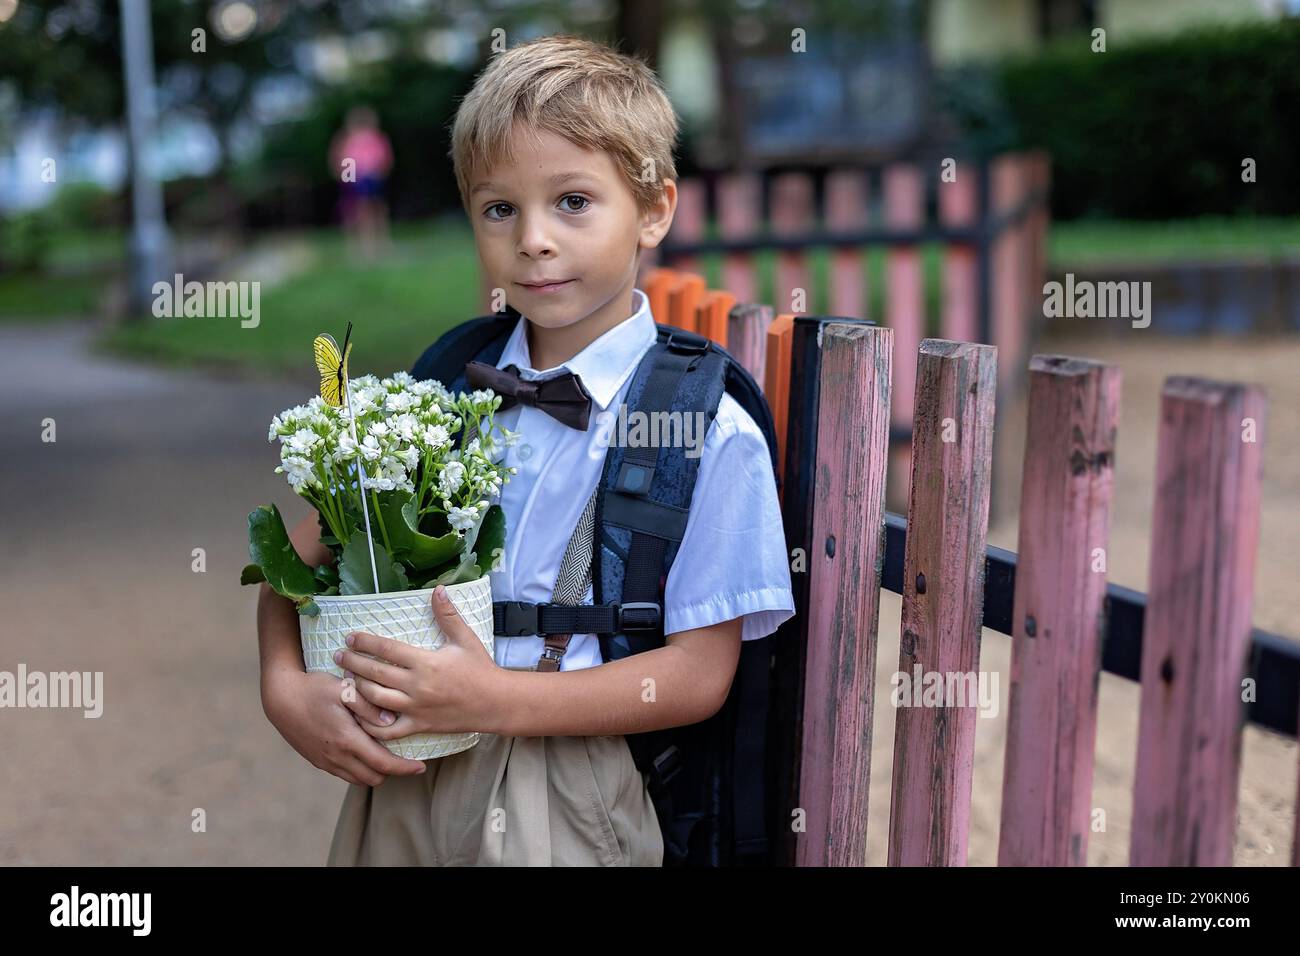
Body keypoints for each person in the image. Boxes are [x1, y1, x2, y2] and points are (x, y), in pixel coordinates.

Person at [258, 34, 795, 866]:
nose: (533, 239)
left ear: (654, 209)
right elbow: (299, 557)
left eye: (574, 201)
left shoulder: (701, 426)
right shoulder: (446, 386)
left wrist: (495, 700)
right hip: (411, 771)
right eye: (499, 208)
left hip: (568, 781)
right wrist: (284, 688)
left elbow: (697, 676)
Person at [329, 105, 393, 258]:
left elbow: (384, 160)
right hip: (356, 179)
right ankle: (360, 246)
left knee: (375, 209)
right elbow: (340, 161)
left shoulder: (375, 138)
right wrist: (348, 181)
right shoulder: (347, 140)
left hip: (370, 178)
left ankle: (378, 244)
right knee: (356, 212)